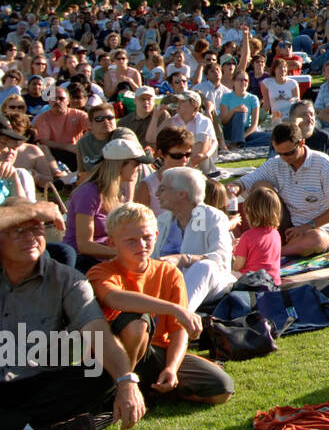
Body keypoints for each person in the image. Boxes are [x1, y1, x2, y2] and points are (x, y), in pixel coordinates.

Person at [0, 200, 147, 430]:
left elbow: (99, 335)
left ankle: (15, 429)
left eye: (37, 228)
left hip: (37, 384)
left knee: (98, 374)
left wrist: (127, 382)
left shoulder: (67, 279)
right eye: (18, 231)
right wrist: (36, 210)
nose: (31, 238)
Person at [86, 204, 234, 406]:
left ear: (156, 236)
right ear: (112, 244)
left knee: (222, 388)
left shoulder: (169, 273)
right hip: (114, 358)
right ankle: (121, 390)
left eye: (146, 237)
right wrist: (174, 308)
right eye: (131, 240)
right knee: (138, 321)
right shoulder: (100, 272)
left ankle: (152, 389)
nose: (141, 245)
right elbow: (115, 298)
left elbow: (177, 330)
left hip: (158, 353)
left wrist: (172, 368)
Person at [231, 122, 329, 258]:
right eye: (280, 153)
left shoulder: (323, 164)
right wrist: (235, 187)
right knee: (260, 188)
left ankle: (270, 253)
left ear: (302, 143)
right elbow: (247, 181)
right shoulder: (276, 163)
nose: (285, 158)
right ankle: (260, 239)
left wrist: (307, 226)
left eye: (289, 153)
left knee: (316, 239)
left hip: (316, 228)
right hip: (284, 222)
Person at [64, 135, 151, 272]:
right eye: (135, 164)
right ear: (120, 165)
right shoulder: (88, 193)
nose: (138, 169)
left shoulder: (117, 193)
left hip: (106, 260)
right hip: (82, 264)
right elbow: (84, 245)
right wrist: (124, 254)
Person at [153, 166, 235, 311]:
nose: (157, 193)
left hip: (210, 285)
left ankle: (178, 321)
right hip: (167, 284)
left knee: (205, 266)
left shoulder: (210, 217)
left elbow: (220, 260)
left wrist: (183, 259)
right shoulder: (163, 220)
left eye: (163, 189)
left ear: (181, 194)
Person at [232, 186, 282, 285]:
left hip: (252, 282)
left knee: (225, 274)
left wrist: (234, 251)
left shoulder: (247, 236)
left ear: (250, 213)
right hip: (273, 282)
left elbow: (238, 266)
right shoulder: (275, 234)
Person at [32, 86, 89, 172]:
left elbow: (94, 129)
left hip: (76, 151)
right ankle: (57, 173)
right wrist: (67, 146)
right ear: (49, 101)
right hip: (53, 153)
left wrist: (83, 141)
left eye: (61, 98)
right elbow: (44, 141)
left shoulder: (79, 115)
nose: (57, 101)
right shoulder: (41, 118)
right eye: (53, 98)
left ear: (68, 101)